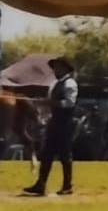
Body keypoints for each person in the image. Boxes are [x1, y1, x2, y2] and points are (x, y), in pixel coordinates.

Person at [23, 57, 78, 196]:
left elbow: (69, 103)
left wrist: (51, 103)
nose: (55, 70)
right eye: (54, 68)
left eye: (58, 67)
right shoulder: (54, 84)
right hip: (54, 122)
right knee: (47, 153)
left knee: (65, 154)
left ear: (65, 68)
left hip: (65, 123)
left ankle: (67, 186)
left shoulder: (70, 83)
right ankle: (40, 184)